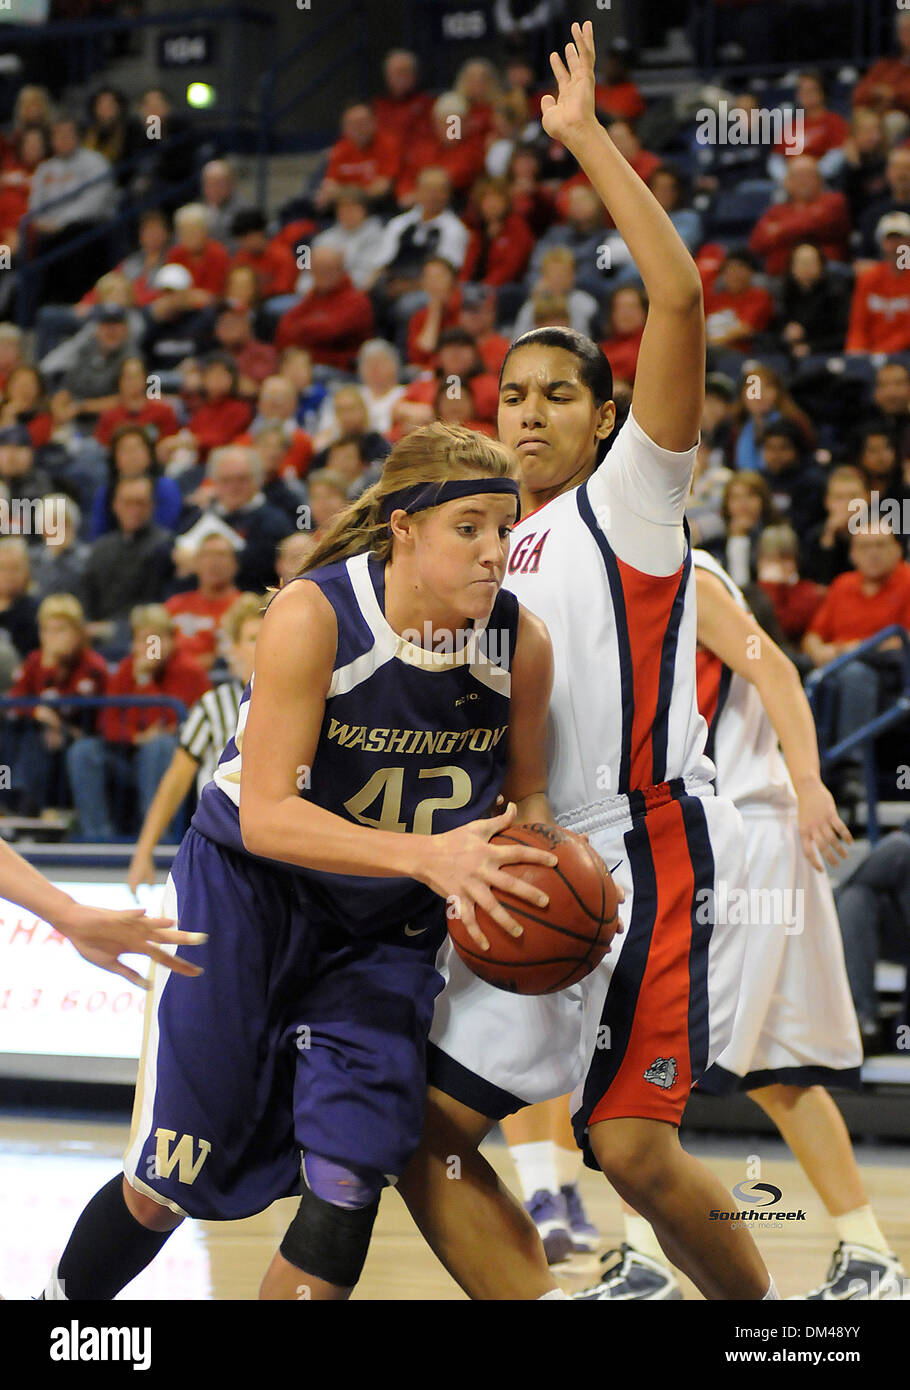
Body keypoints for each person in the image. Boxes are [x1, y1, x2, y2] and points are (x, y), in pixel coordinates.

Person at [395, 22, 773, 1303]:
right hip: (528, 852)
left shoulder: (634, 496)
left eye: (558, 393)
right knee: (423, 1129)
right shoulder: (479, 544)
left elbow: (678, 296)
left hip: (647, 841)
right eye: (512, 396)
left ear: (606, 416)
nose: (530, 413)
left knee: (633, 1155)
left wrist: (582, 141)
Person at [40, 420, 562, 1302]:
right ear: (404, 526)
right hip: (249, 898)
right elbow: (271, 818)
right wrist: (429, 855)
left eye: (504, 529)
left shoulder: (524, 645)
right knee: (170, 1174)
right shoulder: (314, 614)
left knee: (353, 1171)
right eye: (467, 527)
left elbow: (529, 798)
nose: (493, 551)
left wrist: (544, 868)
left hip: (385, 930)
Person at [577, 550, 906, 1301]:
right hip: (728, 837)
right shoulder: (606, 579)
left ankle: (651, 1263)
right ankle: (869, 1254)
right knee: (773, 1067)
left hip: (741, 831)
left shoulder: (690, 576)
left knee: (649, 1051)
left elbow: (778, 672)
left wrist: (813, 782)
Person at [127, 592, 263, 895]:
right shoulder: (213, 706)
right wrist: (143, 851)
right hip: (221, 844)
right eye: (253, 638)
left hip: (274, 846)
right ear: (233, 649)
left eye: (270, 636)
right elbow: (176, 780)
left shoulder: (301, 704)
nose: (265, 646)